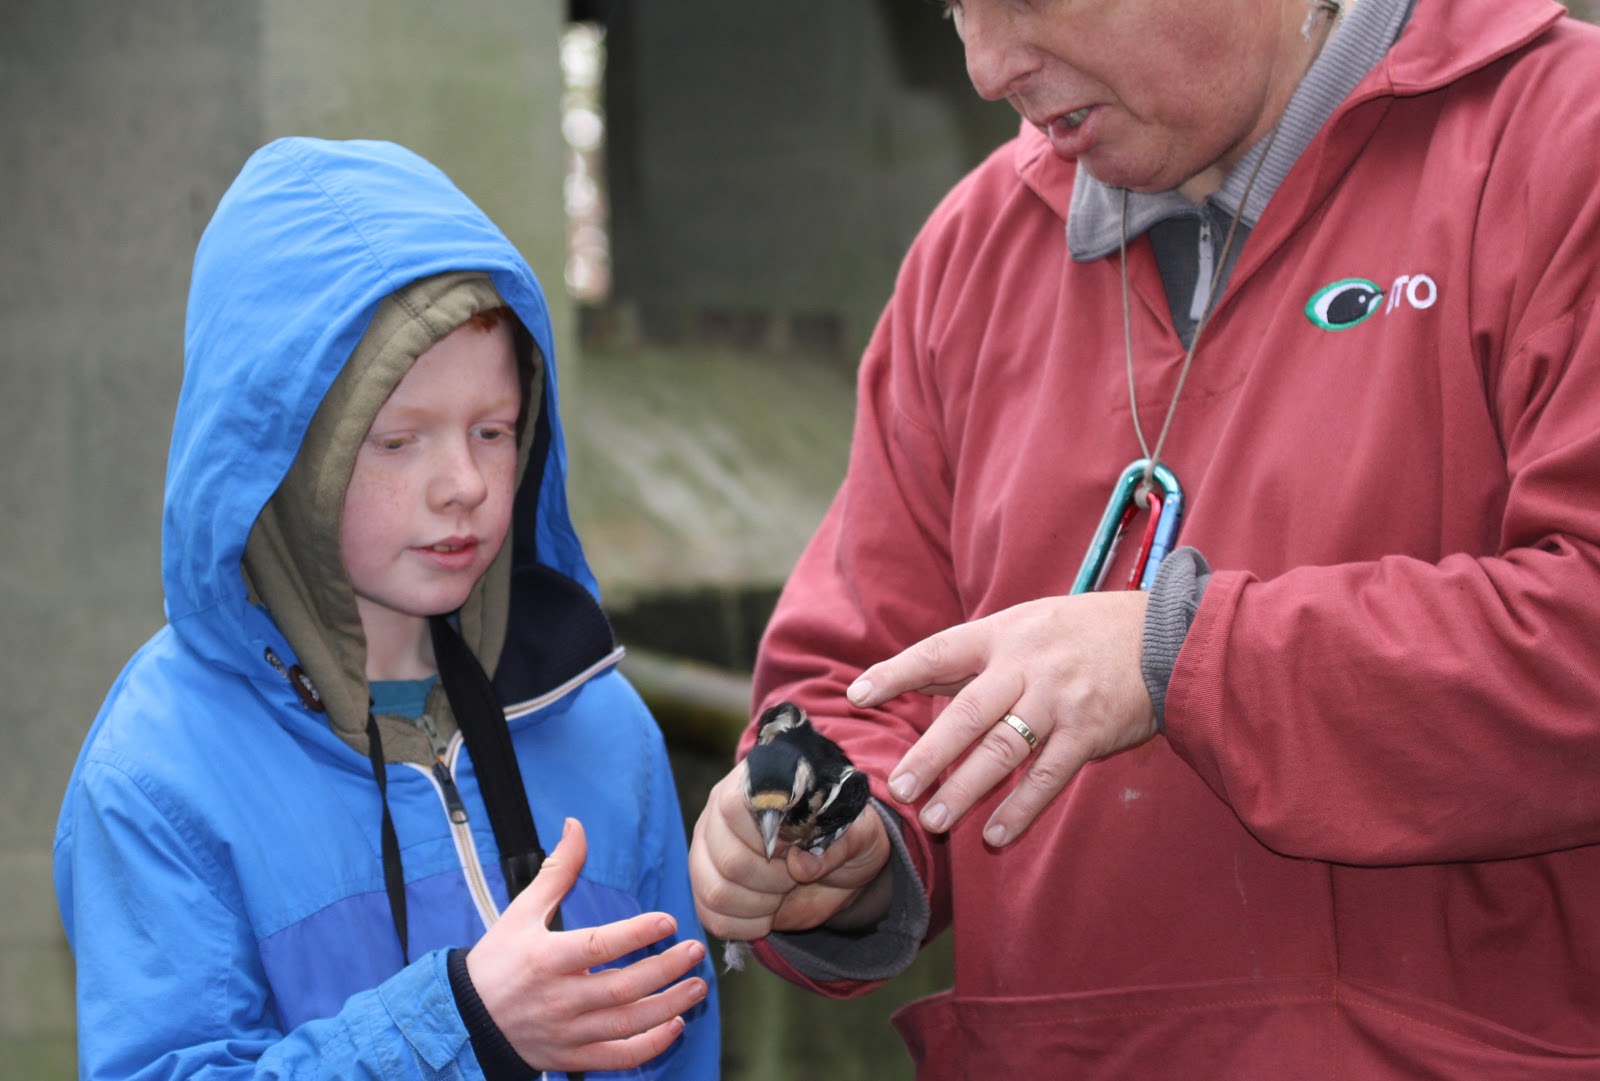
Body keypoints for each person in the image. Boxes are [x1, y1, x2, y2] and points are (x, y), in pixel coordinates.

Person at [689, 0, 1600, 1075]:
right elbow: (859, 683)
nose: (984, 70)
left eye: (1021, 3)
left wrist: (1177, 657)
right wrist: (839, 844)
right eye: (953, 11)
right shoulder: (971, 252)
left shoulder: (1558, 140)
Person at [53, 137, 718, 1080]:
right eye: (399, 440)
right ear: (282, 461)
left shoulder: (601, 726)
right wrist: (459, 1027)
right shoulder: (162, 771)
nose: (464, 485)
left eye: (493, 430)